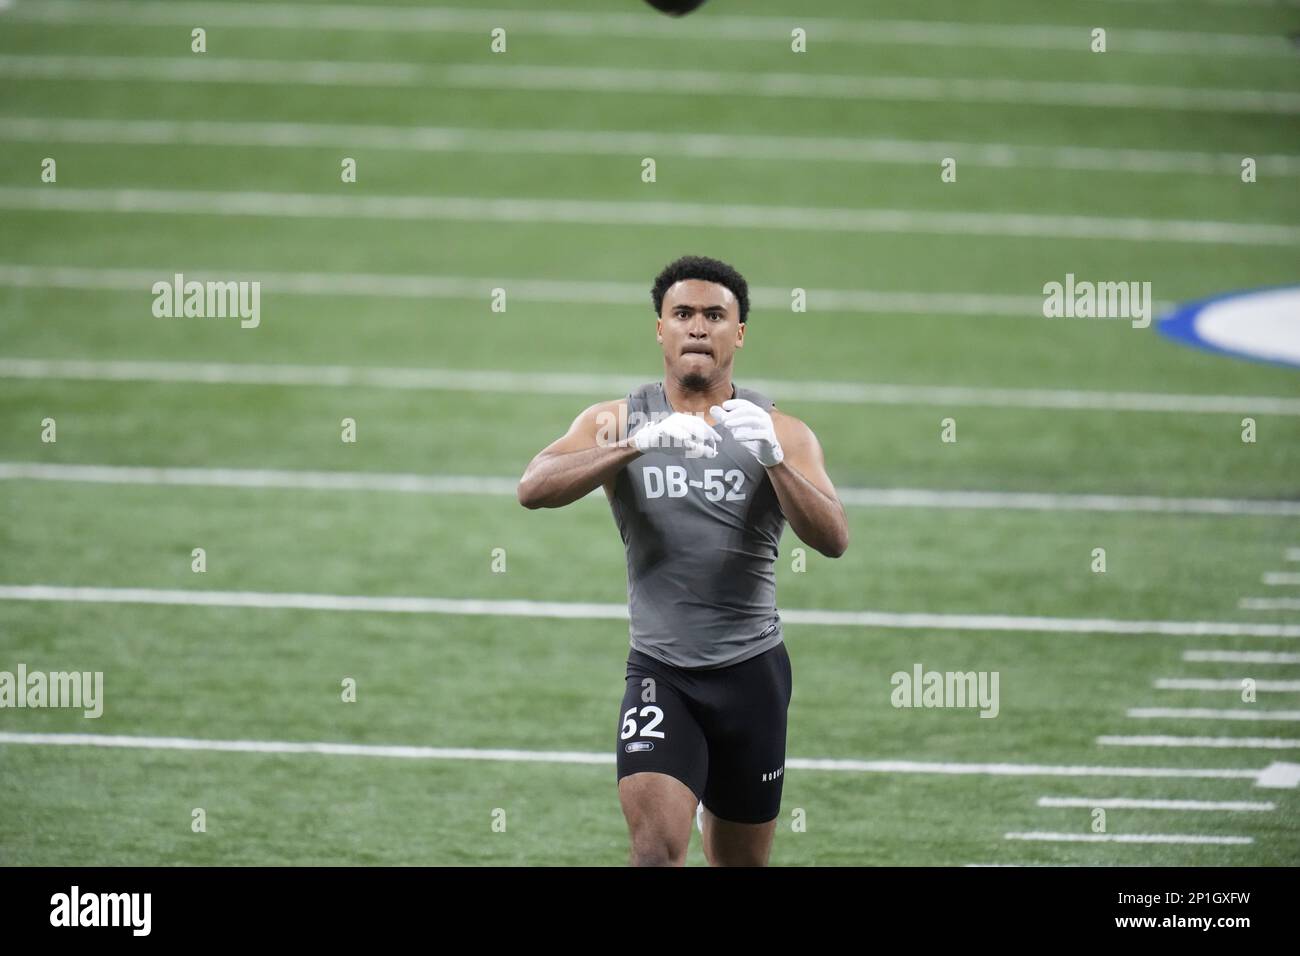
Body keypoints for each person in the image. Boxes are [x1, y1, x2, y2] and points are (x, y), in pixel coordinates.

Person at [517, 255, 849, 865]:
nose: (698, 326)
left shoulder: (780, 429)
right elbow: (533, 487)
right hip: (660, 672)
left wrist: (773, 460)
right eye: (684, 313)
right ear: (660, 327)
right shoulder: (616, 420)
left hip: (753, 675)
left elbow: (833, 538)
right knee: (655, 854)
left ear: (739, 332)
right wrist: (634, 445)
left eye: (715, 315)